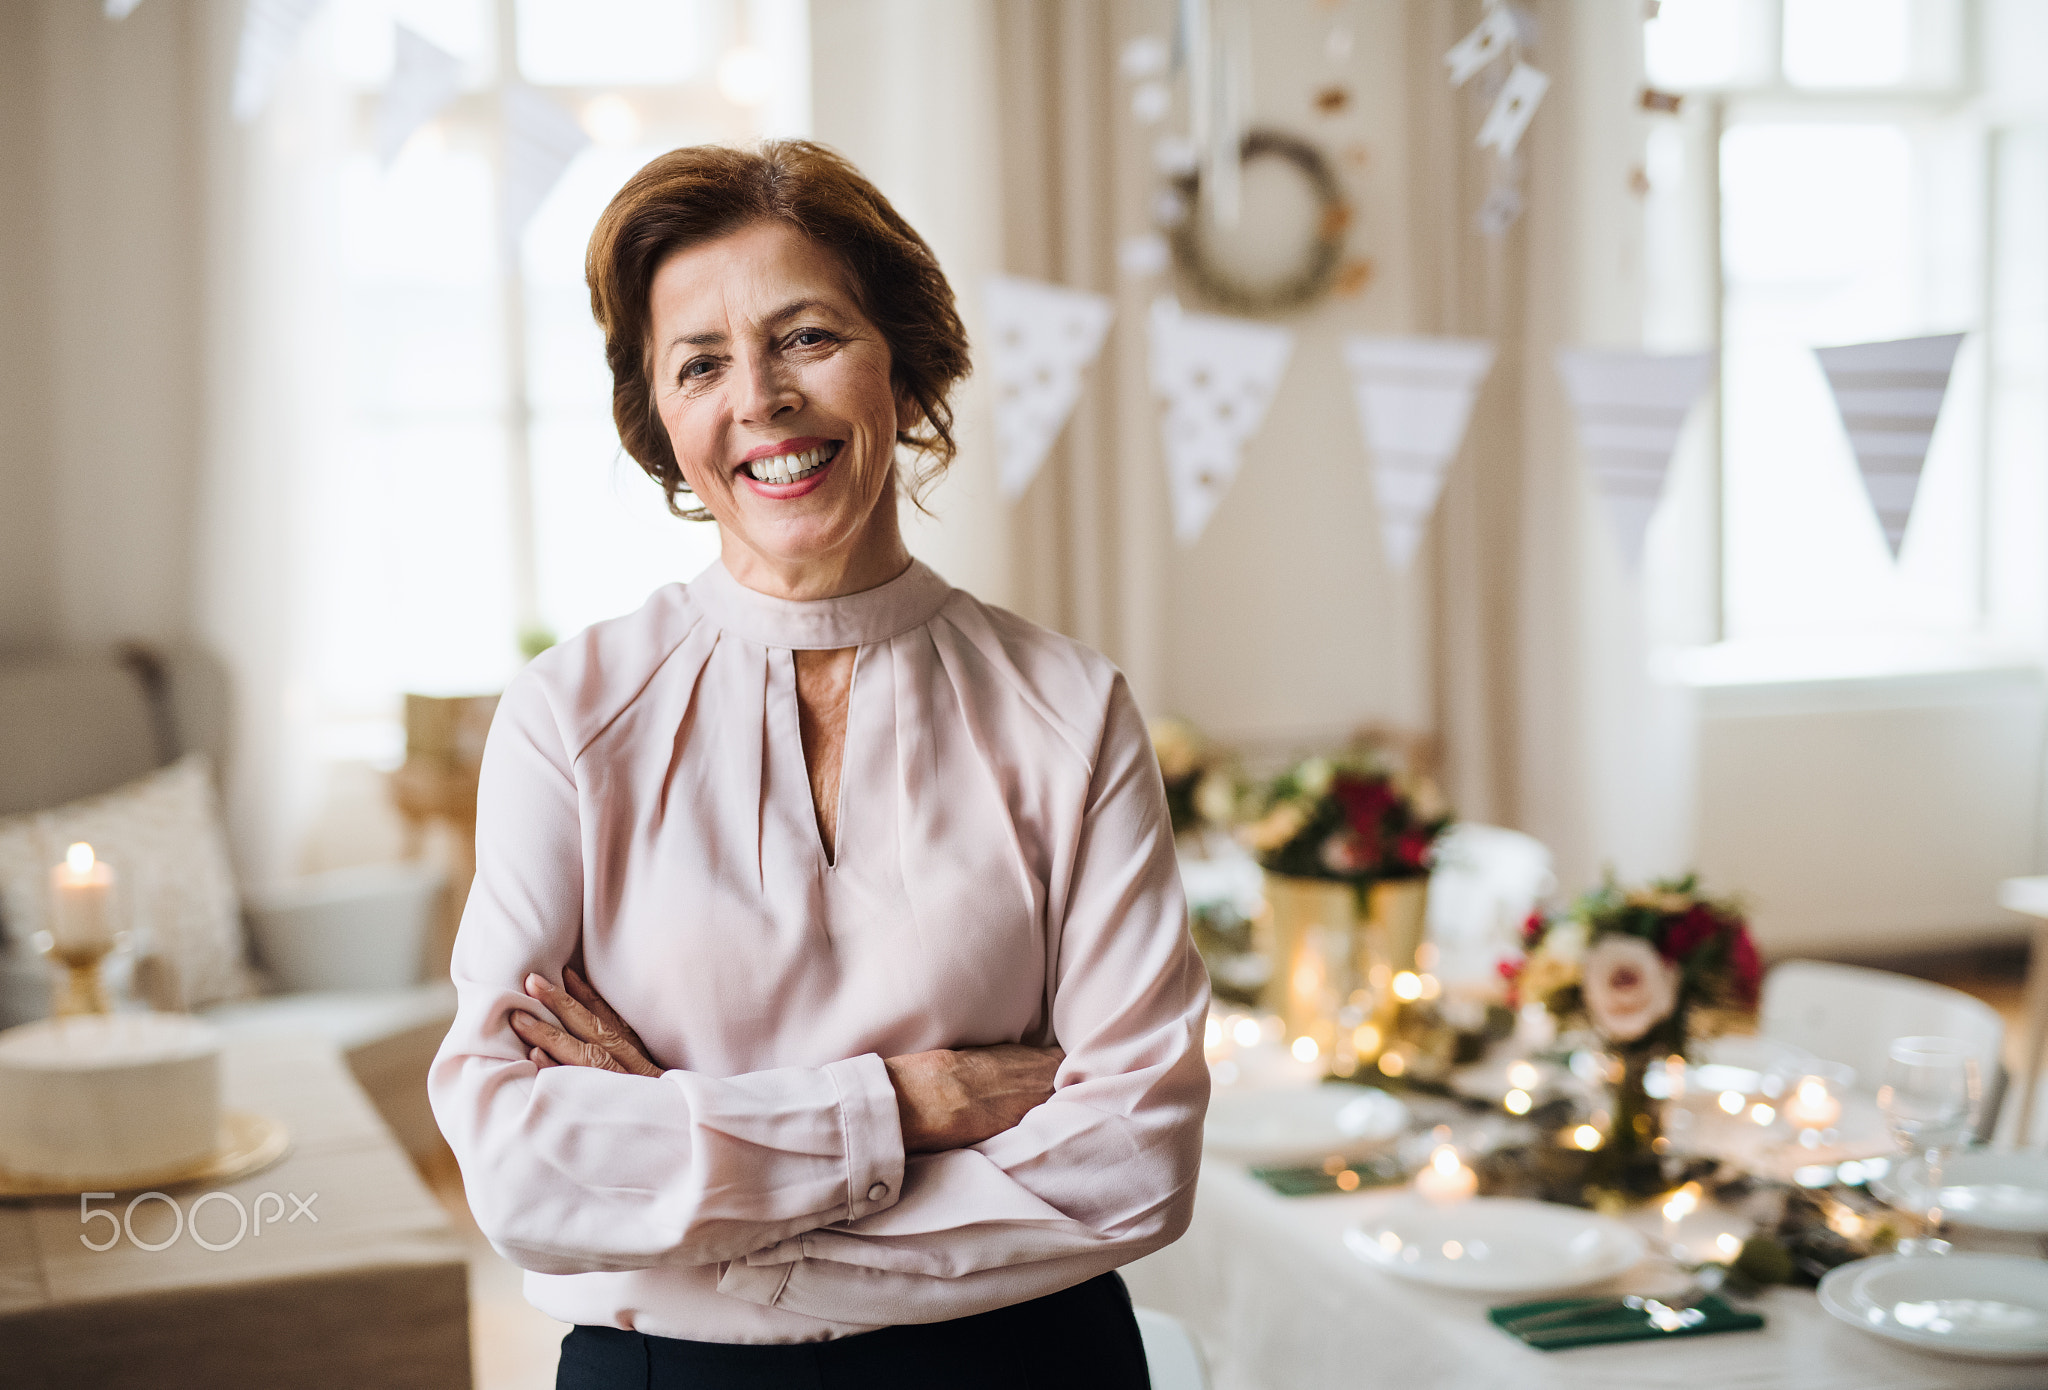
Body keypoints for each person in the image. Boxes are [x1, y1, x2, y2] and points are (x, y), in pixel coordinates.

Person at [427, 140, 1210, 1389]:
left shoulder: (1071, 707)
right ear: (661, 422)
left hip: (1015, 1366)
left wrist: (713, 1235)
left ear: (901, 365)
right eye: (700, 363)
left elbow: (1134, 1157)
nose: (760, 398)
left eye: (805, 337)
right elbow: (523, 1167)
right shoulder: (566, 715)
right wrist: (906, 1107)